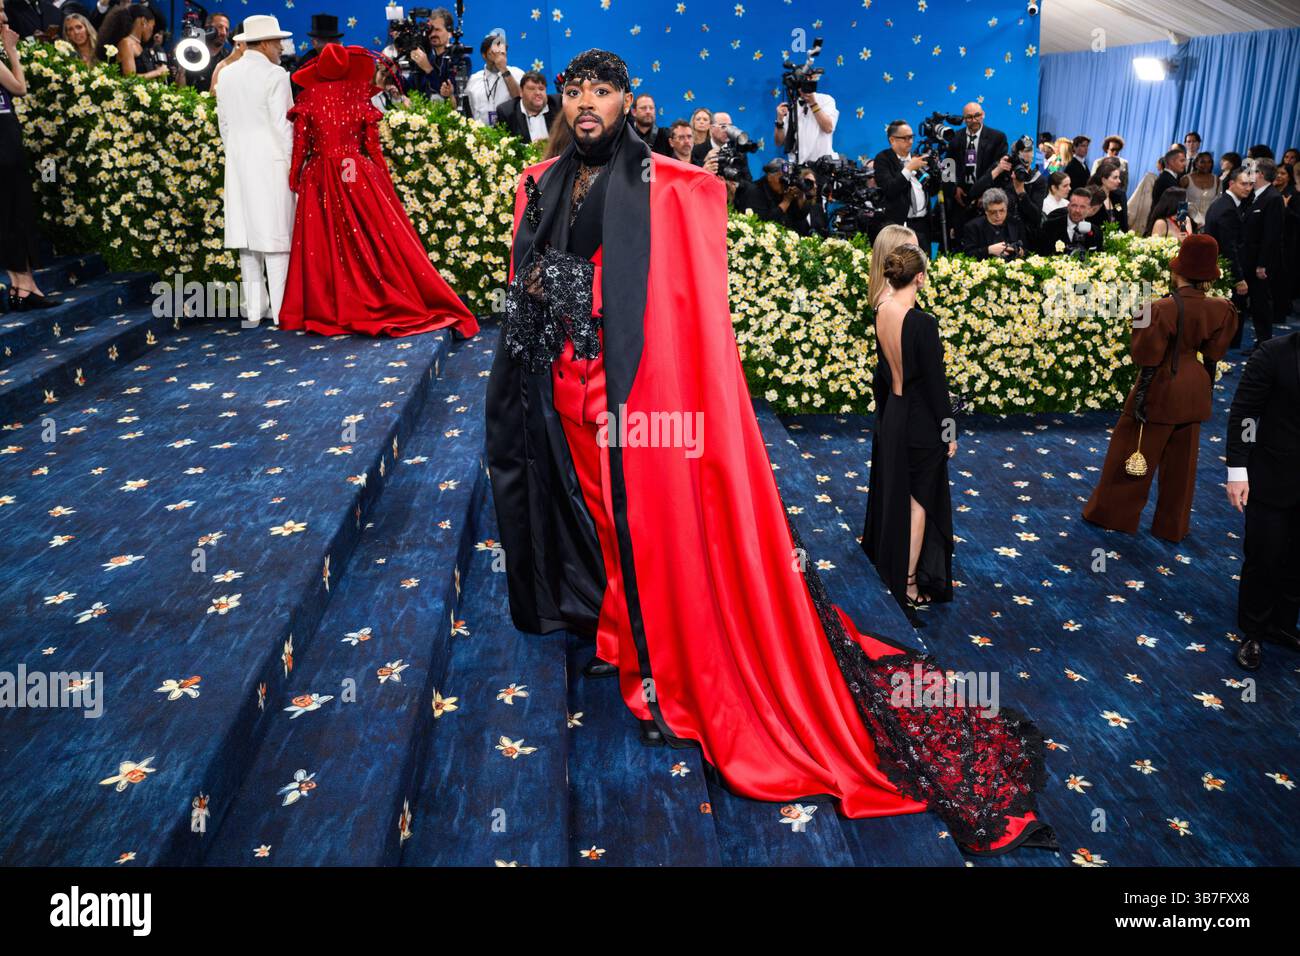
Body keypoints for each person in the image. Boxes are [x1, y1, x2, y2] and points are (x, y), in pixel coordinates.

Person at [485, 47, 1055, 858]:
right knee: (604, 526)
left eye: (604, 90)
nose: (587, 102)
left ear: (626, 101)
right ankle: (619, 626)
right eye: (576, 89)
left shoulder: (661, 187)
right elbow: (542, 278)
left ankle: (662, 657)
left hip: (636, 403)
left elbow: (674, 283)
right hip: (568, 399)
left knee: (648, 527)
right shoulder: (539, 184)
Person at [279, 44, 476, 339]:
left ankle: (329, 306)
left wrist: (295, 179)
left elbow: (301, 149)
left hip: (319, 175)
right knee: (366, 238)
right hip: (354, 171)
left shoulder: (308, 100)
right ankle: (373, 296)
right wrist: (382, 182)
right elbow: (371, 147)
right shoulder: (360, 97)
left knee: (325, 241)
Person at [1082, 235, 1238, 542]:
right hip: (1196, 389)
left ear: (1177, 271)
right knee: (1183, 466)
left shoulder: (1157, 308)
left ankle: (1113, 516)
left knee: (1130, 453)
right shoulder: (1223, 309)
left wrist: (1140, 398)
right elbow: (1213, 355)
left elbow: (1145, 358)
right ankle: (1172, 527)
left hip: (1161, 387)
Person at [863, 242, 957, 625]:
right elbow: (936, 385)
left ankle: (894, 570)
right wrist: (949, 431)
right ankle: (908, 584)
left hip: (895, 414)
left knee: (899, 494)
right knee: (919, 504)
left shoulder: (882, 310)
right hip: (921, 422)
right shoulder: (921, 322)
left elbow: (883, 374)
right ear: (920, 277)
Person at [215, 15, 296, 326]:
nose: (280, 47)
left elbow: (224, 127)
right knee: (276, 243)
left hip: (237, 165)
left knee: (248, 242)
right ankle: (280, 311)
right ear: (263, 43)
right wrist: (293, 168)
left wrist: (237, 154)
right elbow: (283, 128)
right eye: (276, 42)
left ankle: (254, 310)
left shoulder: (226, 75)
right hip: (271, 165)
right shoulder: (276, 75)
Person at [1227, 330, 1300, 670]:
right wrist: (1237, 470)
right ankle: (1253, 632)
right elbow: (1244, 414)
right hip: (1271, 475)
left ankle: (1283, 625)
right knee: (1264, 555)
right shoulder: (1273, 353)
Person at [2, 1, 56, 309]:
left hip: (7, 136)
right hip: (4, 143)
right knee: (14, 213)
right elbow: (20, 88)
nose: (5, 18)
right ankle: (24, 286)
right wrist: (12, 51)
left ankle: (21, 285)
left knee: (9, 215)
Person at [1204, 166, 1254, 349]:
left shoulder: (1225, 203)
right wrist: (1239, 278)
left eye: (1250, 184)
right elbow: (1229, 248)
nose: (1248, 188)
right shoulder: (1227, 208)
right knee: (1227, 317)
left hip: (1219, 268)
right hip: (1224, 271)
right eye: (1243, 184)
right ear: (1232, 183)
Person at [1241, 157, 1285, 350]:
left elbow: (1272, 235)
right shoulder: (1256, 195)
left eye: (1252, 171)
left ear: (1260, 174)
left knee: (1260, 304)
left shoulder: (1273, 198)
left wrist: (1262, 264)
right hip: (1249, 259)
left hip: (1260, 263)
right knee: (1253, 303)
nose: (1249, 174)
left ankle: (1263, 344)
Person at [872, 119, 930, 250]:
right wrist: (909, 169)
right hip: (898, 225)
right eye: (905, 138)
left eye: (911, 137)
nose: (910, 141)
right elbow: (890, 189)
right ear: (892, 140)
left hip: (922, 224)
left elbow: (930, 191)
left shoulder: (918, 158)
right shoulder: (883, 159)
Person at [466, 31, 522, 126]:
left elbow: (520, 99)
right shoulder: (474, 79)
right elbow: (469, 110)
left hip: (510, 132)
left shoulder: (517, 73)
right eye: (494, 54)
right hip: (481, 134)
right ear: (484, 55)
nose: (498, 58)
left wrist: (504, 70)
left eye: (502, 54)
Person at [774, 86, 837, 164]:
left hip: (821, 166)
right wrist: (779, 120)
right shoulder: (791, 106)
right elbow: (779, 142)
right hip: (797, 166)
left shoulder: (825, 100)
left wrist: (813, 103)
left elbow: (828, 128)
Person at [495, 70, 559, 143]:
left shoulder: (558, 105)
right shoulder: (506, 112)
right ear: (521, 92)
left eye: (541, 89)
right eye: (532, 89)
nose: (538, 93)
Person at [961, 188, 1026, 259]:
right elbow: (968, 254)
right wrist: (988, 250)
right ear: (986, 211)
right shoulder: (972, 227)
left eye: (1002, 210)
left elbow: (1027, 248)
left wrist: (1021, 251)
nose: (998, 216)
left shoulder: (1015, 223)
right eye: (993, 212)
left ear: (1006, 208)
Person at [1038, 188, 1102, 255]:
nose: (1077, 210)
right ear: (1068, 206)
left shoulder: (1096, 232)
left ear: (1088, 209)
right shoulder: (1049, 227)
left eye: (1082, 207)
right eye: (1074, 205)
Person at [1087, 156, 1128, 232]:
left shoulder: (1118, 196)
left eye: (1119, 177)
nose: (1119, 181)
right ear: (1103, 180)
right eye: (1115, 178)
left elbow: (1124, 223)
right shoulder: (1091, 197)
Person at [1184, 150, 1220, 228]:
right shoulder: (1186, 179)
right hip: (1189, 222)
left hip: (1208, 222)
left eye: (1209, 162)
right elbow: (1180, 202)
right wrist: (1183, 222)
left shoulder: (1217, 180)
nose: (1206, 165)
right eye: (1202, 162)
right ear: (1196, 163)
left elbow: (1218, 203)